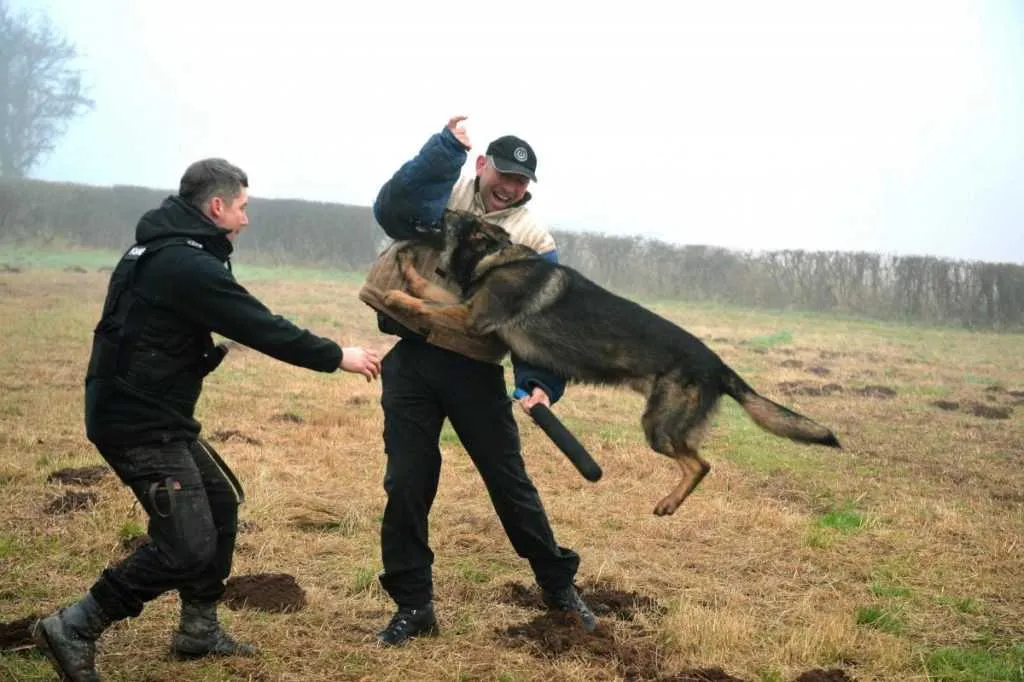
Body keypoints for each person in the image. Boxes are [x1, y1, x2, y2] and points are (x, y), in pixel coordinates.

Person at [34, 158, 382, 681]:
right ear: (217, 206)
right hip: (136, 421)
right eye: (242, 208)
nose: (246, 219)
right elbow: (257, 323)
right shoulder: (184, 265)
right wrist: (338, 355)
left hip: (155, 412)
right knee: (187, 544)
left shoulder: (171, 249)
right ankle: (76, 625)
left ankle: (198, 628)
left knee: (220, 502)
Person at [364, 116, 596, 646]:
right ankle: (414, 605)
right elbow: (393, 206)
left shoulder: (533, 240)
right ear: (483, 165)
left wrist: (540, 381)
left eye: (521, 182)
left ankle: (559, 590)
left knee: (510, 486)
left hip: (476, 369)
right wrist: (443, 149)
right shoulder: (440, 193)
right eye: (505, 174)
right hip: (415, 358)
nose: (510, 187)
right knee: (407, 482)